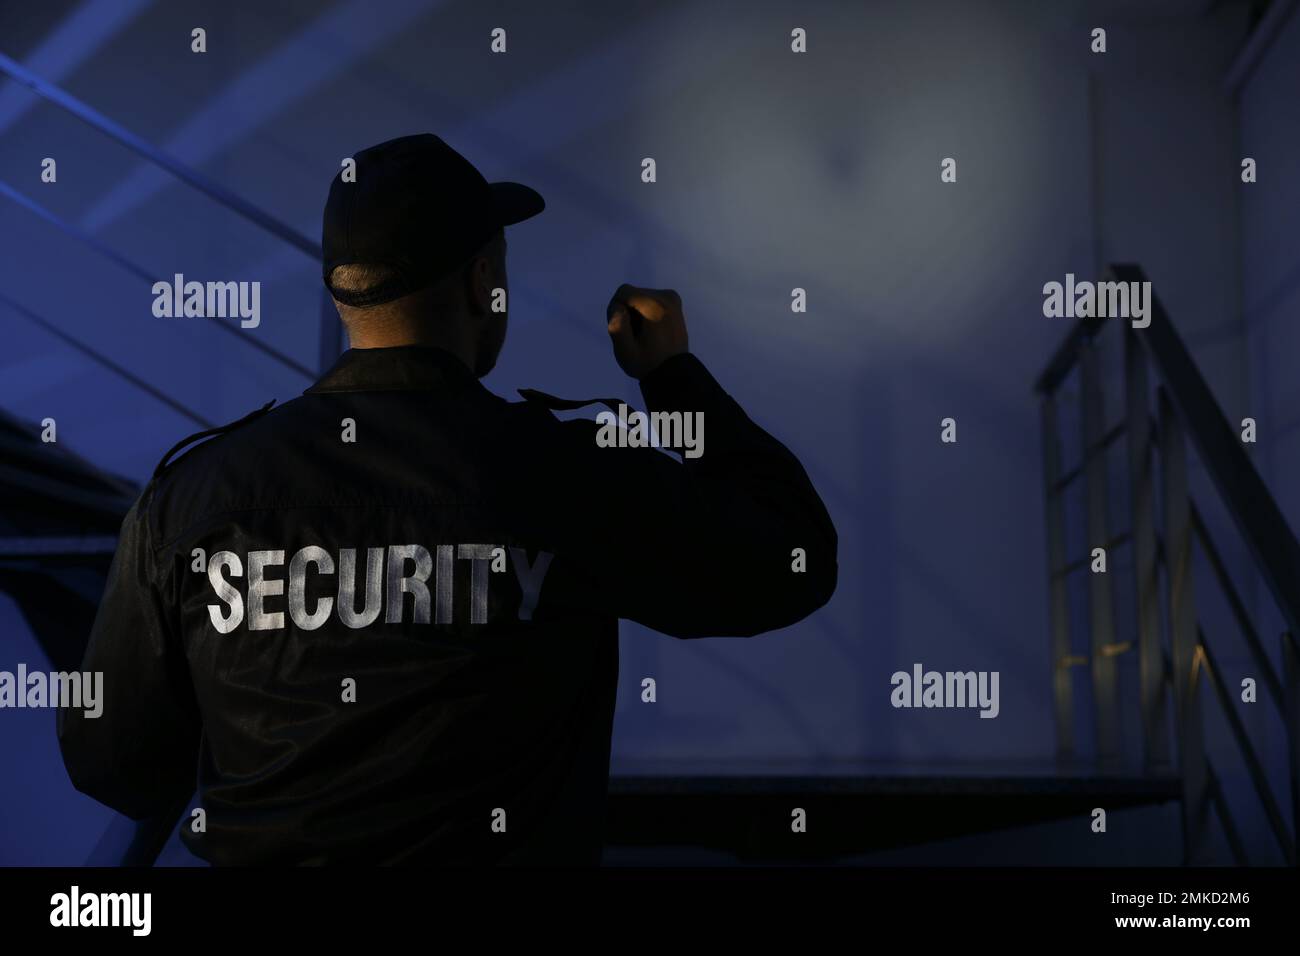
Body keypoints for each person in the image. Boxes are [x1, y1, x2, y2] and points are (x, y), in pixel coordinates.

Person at [58, 133, 838, 865]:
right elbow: (789, 558)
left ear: (341, 293)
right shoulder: (565, 470)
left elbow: (115, 766)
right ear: (482, 284)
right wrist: (672, 378)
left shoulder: (194, 497)